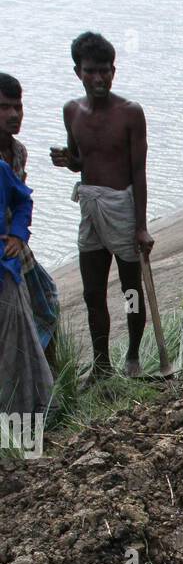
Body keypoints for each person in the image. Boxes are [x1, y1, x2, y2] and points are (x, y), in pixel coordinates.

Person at [50, 31, 153, 382]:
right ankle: (101, 365)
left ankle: (134, 356)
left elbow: (138, 171)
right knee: (93, 292)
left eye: (106, 70)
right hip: (90, 205)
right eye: (91, 71)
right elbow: (81, 162)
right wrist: (69, 161)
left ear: (114, 70)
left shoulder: (130, 113)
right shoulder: (71, 111)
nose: (99, 78)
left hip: (122, 206)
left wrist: (141, 226)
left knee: (130, 290)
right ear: (78, 71)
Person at [0, 73, 60, 361]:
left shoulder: (17, 151)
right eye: (4, 107)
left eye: (18, 106)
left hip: (15, 248)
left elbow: (23, 201)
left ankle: (49, 388)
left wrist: (18, 234)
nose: (14, 114)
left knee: (46, 303)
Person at [0, 155, 53, 415]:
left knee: (16, 353)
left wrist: (19, 235)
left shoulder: (1, 170)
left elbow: (22, 201)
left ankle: (22, 427)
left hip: (5, 273)